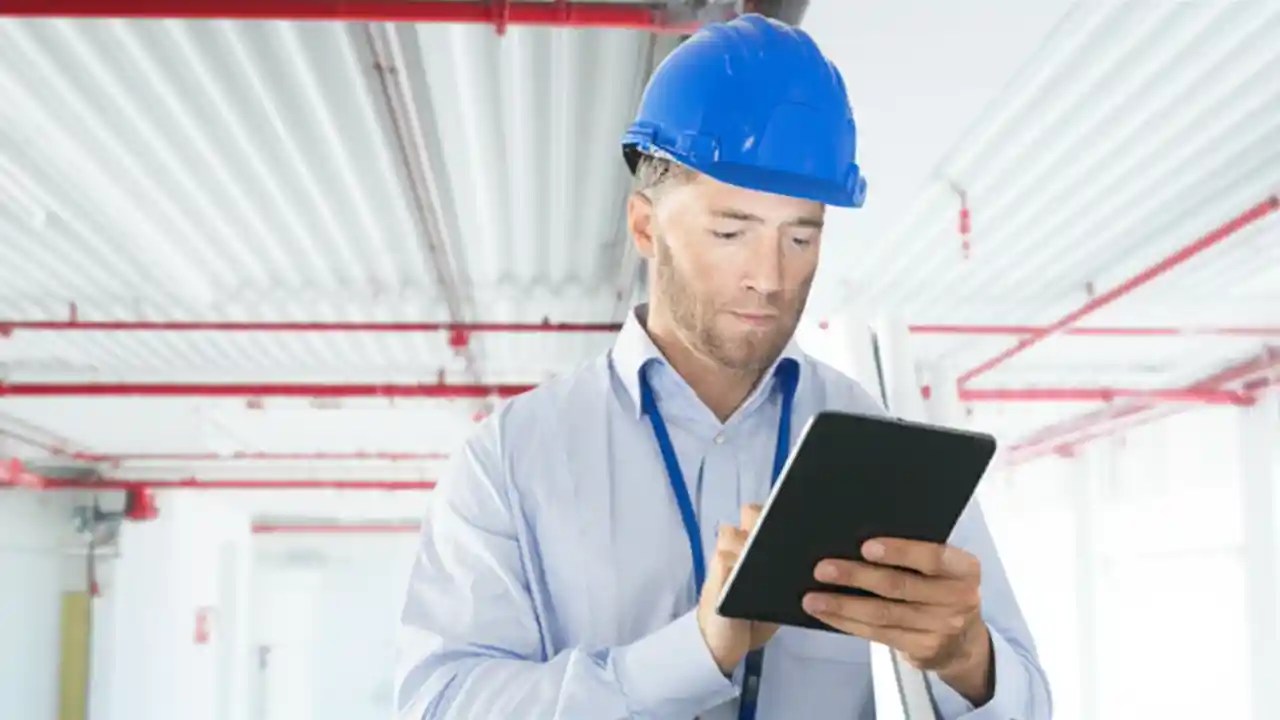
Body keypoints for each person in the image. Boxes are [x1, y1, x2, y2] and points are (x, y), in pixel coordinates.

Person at [396, 13, 1051, 720]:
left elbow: (1027, 704)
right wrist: (693, 655)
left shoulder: (879, 444)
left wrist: (966, 661)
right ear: (646, 227)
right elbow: (440, 704)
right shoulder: (514, 458)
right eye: (731, 232)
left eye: (801, 236)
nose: (769, 277)